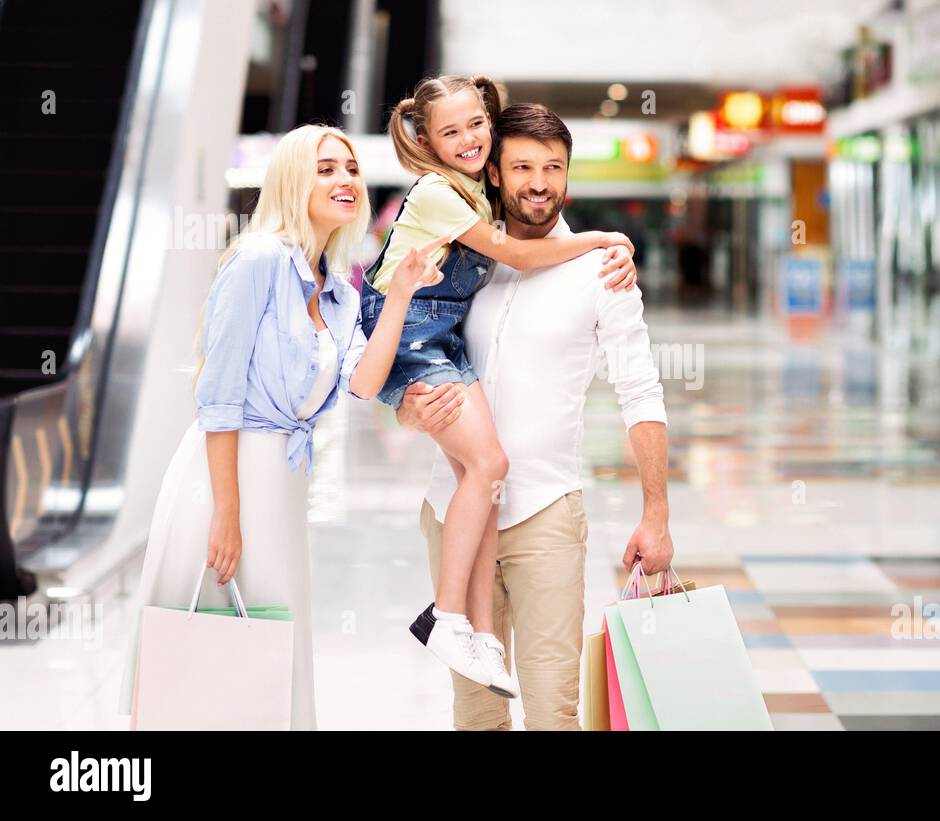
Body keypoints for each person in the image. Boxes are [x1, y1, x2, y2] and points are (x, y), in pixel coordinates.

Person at [120, 124, 446, 730]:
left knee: (269, 640)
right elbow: (217, 397)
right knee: (204, 639)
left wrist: (399, 293)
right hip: (223, 480)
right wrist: (225, 511)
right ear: (293, 180)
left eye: (350, 168)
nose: (345, 179)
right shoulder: (257, 259)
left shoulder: (342, 292)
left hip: (281, 484)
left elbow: (363, 383)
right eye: (326, 168)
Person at [397, 103, 673, 730]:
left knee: (553, 711)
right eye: (522, 166)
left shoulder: (602, 269)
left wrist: (656, 513)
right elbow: (410, 365)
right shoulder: (460, 259)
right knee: (476, 713)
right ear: (493, 173)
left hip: (544, 514)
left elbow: (641, 393)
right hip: (454, 513)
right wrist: (410, 414)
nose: (539, 182)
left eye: (554, 167)